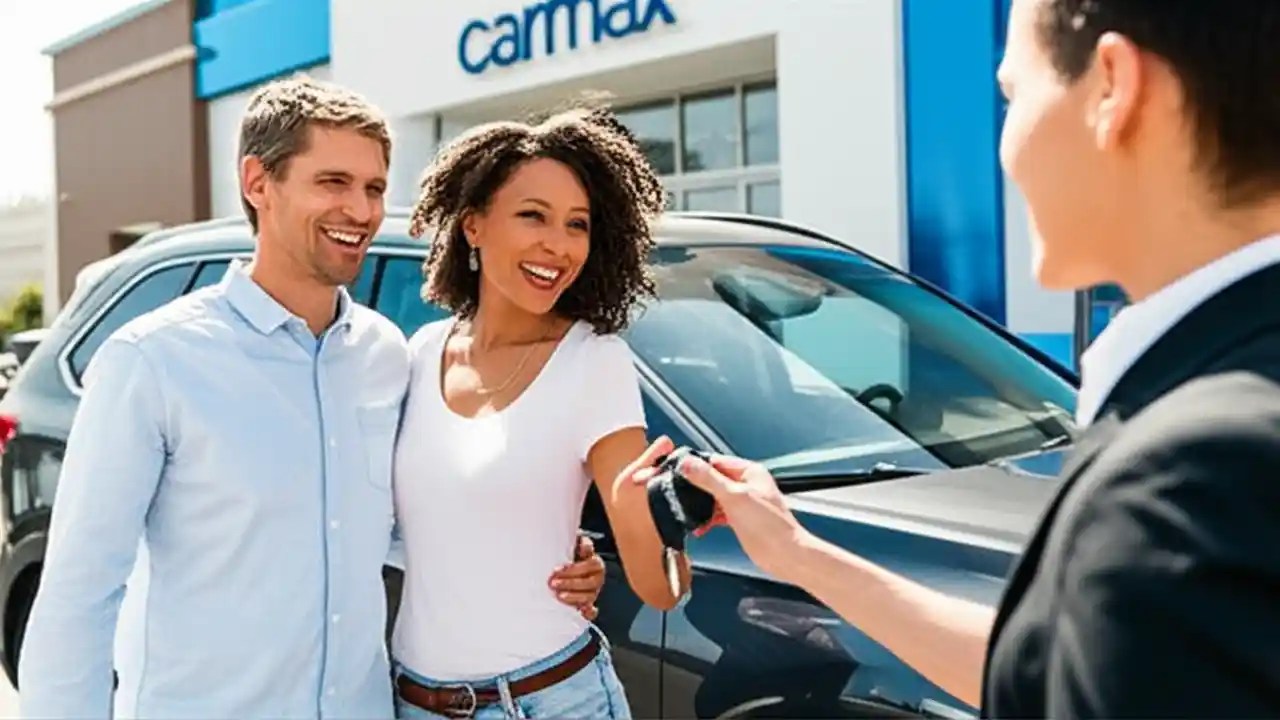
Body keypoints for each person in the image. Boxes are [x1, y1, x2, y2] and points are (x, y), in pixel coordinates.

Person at [632, 0, 1280, 717]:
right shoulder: (1216, 420)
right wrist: (796, 553)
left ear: (1111, 89)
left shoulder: (1195, 473)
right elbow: (1044, 678)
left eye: (1013, 95)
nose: (1006, 149)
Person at [17, 75, 605, 720]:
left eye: (374, 187)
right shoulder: (154, 361)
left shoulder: (387, 356)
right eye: (333, 182)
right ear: (257, 183)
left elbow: (408, 520)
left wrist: (542, 551)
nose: (361, 210)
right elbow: (78, 594)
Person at [388, 106, 689, 719]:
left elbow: (660, 587)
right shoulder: (419, 355)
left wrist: (669, 514)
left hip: (546, 701)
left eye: (577, 224)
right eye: (533, 216)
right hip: (412, 701)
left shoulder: (594, 362)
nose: (559, 244)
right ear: (473, 225)